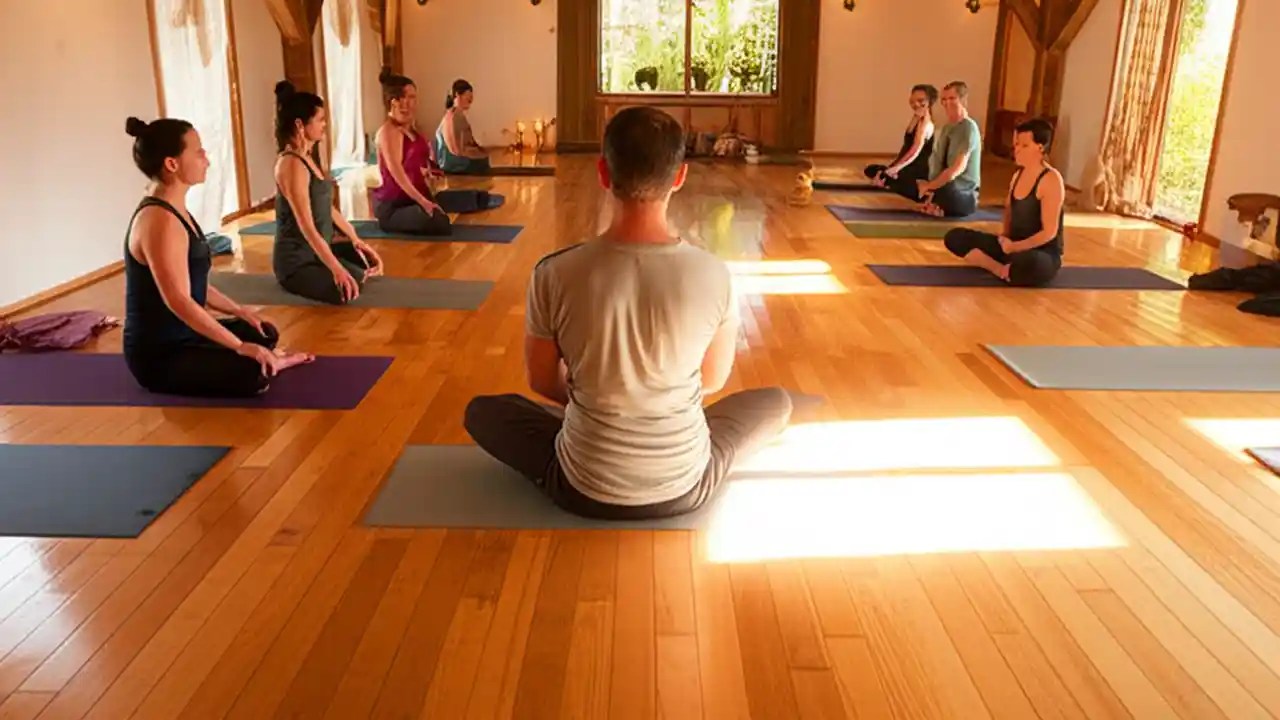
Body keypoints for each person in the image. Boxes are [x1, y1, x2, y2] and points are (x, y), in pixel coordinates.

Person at [463, 107, 794, 520]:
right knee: (776, 403)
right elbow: (711, 380)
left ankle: (598, 426)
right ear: (680, 176)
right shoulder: (714, 273)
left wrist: (604, 403)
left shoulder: (554, 272)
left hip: (581, 487)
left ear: (603, 173)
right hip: (686, 484)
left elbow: (542, 380)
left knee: (483, 412)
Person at [122, 117, 312, 397]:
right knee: (252, 372)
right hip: (161, 354)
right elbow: (180, 301)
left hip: (187, 334)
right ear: (172, 164)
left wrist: (240, 311)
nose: (206, 160)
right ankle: (269, 363)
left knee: (261, 331)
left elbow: (196, 284)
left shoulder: (175, 210)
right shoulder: (159, 221)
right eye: (198, 152)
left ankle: (265, 357)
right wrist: (238, 346)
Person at [273, 81, 384, 305]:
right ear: (300, 124)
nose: (324, 125)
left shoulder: (307, 158)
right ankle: (318, 271)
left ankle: (338, 263)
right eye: (320, 119)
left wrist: (356, 240)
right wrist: (336, 269)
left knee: (365, 265)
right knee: (345, 290)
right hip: (297, 262)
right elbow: (306, 226)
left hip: (316, 251)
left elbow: (327, 208)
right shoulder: (291, 164)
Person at [944, 118, 1064, 286]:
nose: (1017, 150)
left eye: (1024, 146)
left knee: (1032, 263)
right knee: (955, 237)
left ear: (1040, 147)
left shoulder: (1051, 179)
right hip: (1011, 246)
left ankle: (999, 265)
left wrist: (1015, 247)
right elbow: (1009, 211)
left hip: (1040, 252)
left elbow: (1049, 232)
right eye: (1016, 145)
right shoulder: (1017, 175)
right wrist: (1005, 237)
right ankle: (1000, 269)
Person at [372, 68, 493, 235]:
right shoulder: (388, 132)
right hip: (395, 206)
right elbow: (398, 174)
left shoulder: (412, 131)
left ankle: (469, 200)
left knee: (476, 198)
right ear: (393, 102)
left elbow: (418, 162)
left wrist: (428, 172)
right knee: (439, 222)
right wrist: (424, 202)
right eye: (404, 99)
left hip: (416, 197)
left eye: (413, 98)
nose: (409, 104)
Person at [917, 81, 983, 218]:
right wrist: (928, 184)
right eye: (944, 99)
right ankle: (935, 204)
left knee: (946, 191)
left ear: (963, 100)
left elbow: (956, 169)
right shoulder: (947, 128)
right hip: (945, 185)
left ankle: (937, 204)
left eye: (952, 98)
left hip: (963, 192)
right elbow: (938, 162)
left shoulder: (968, 128)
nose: (947, 103)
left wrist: (930, 186)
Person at [864, 84, 937, 200]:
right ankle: (887, 180)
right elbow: (906, 145)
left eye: (921, 101)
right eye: (913, 101)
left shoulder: (926, 124)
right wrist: (893, 166)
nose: (916, 104)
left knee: (886, 176)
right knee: (871, 169)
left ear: (929, 102)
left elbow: (914, 152)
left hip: (916, 168)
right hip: (905, 166)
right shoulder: (917, 118)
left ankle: (919, 190)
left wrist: (895, 169)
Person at [435, 79, 492, 175]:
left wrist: (479, 150)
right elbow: (455, 150)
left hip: (458, 157)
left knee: (484, 158)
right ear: (458, 95)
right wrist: (473, 153)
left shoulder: (458, 115)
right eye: (468, 97)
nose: (471, 100)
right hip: (452, 163)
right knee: (482, 162)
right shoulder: (452, 116)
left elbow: (468, 142)